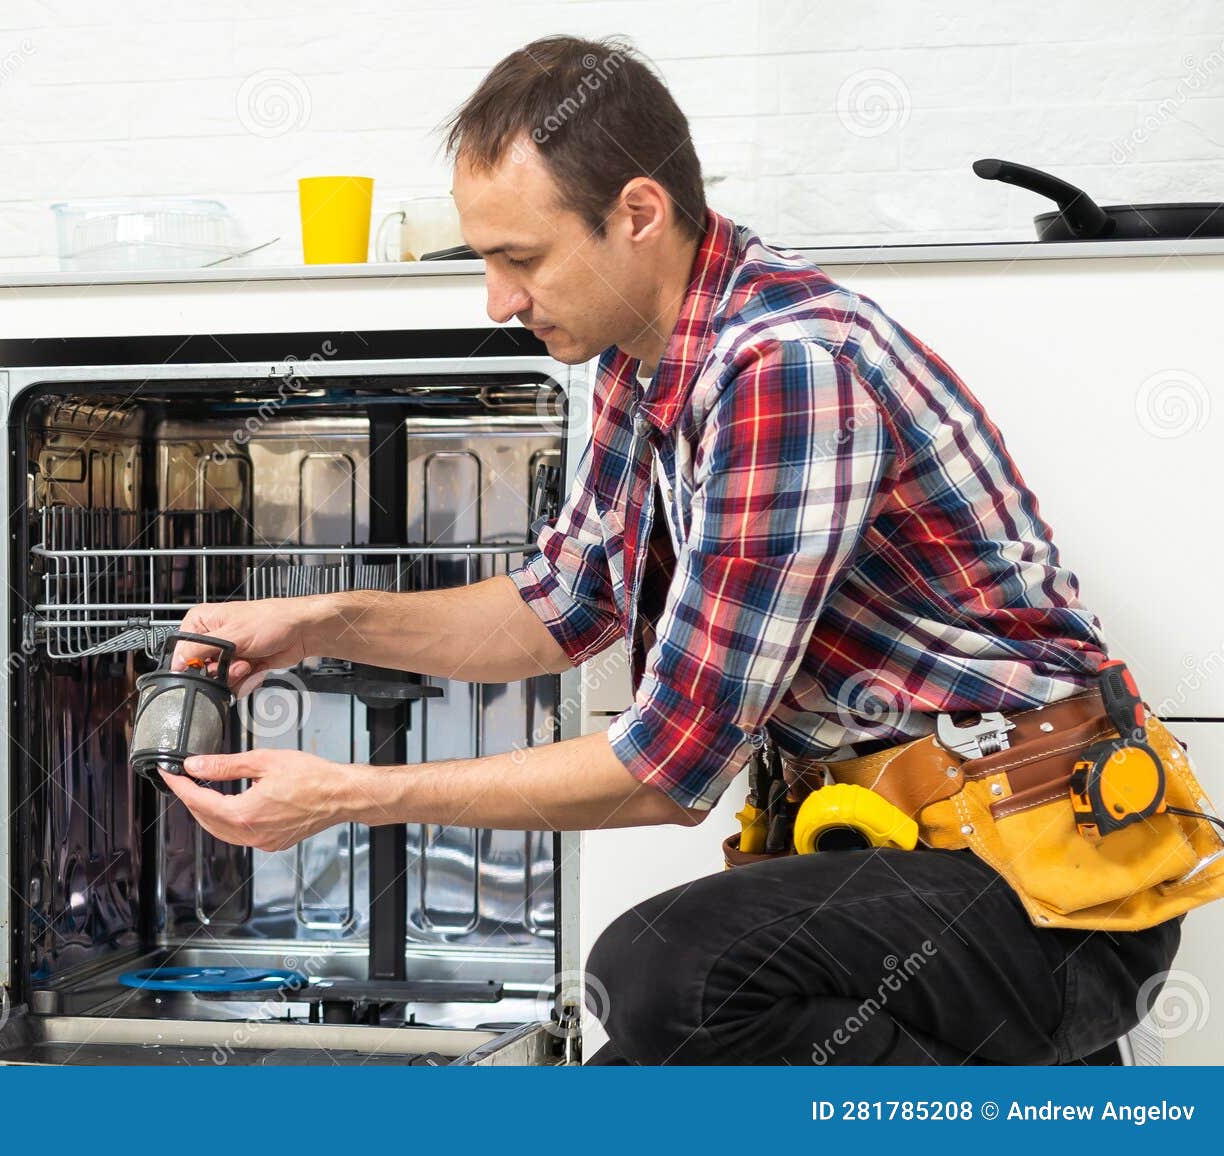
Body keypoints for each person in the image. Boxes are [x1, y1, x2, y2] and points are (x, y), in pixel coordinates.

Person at [166, 35, 1181, 1064]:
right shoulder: (641, 363)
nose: (497, 301)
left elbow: (667, 768)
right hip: (898, 862)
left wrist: (348, 797)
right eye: (484, 259)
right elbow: (561, 604)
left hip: (1050, 892)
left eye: (521, 257)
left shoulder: (785, 369)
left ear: (638, 215)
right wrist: (325, 621)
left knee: (665, 968)